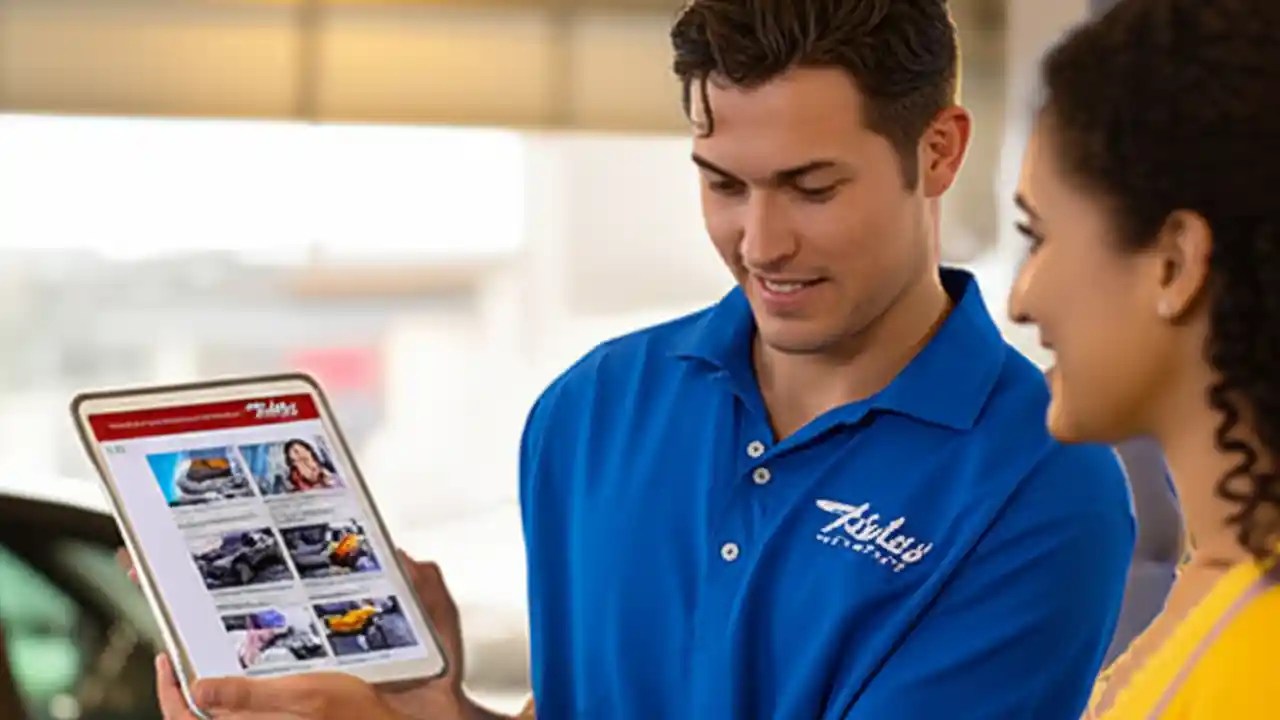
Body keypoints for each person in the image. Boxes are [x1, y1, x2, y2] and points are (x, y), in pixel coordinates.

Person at [142, 1, 1135, 718]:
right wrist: (435, 712)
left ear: (937, 151)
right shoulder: (589, 410)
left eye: (810, 187)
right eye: (721, 184)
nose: (760, 241)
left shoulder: (1044, 480)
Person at [1006, 0, 1280, 716]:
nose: (1021, 300)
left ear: (1173, 263)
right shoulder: (1220, 591)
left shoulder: (1253, 667)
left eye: (1039, 237)